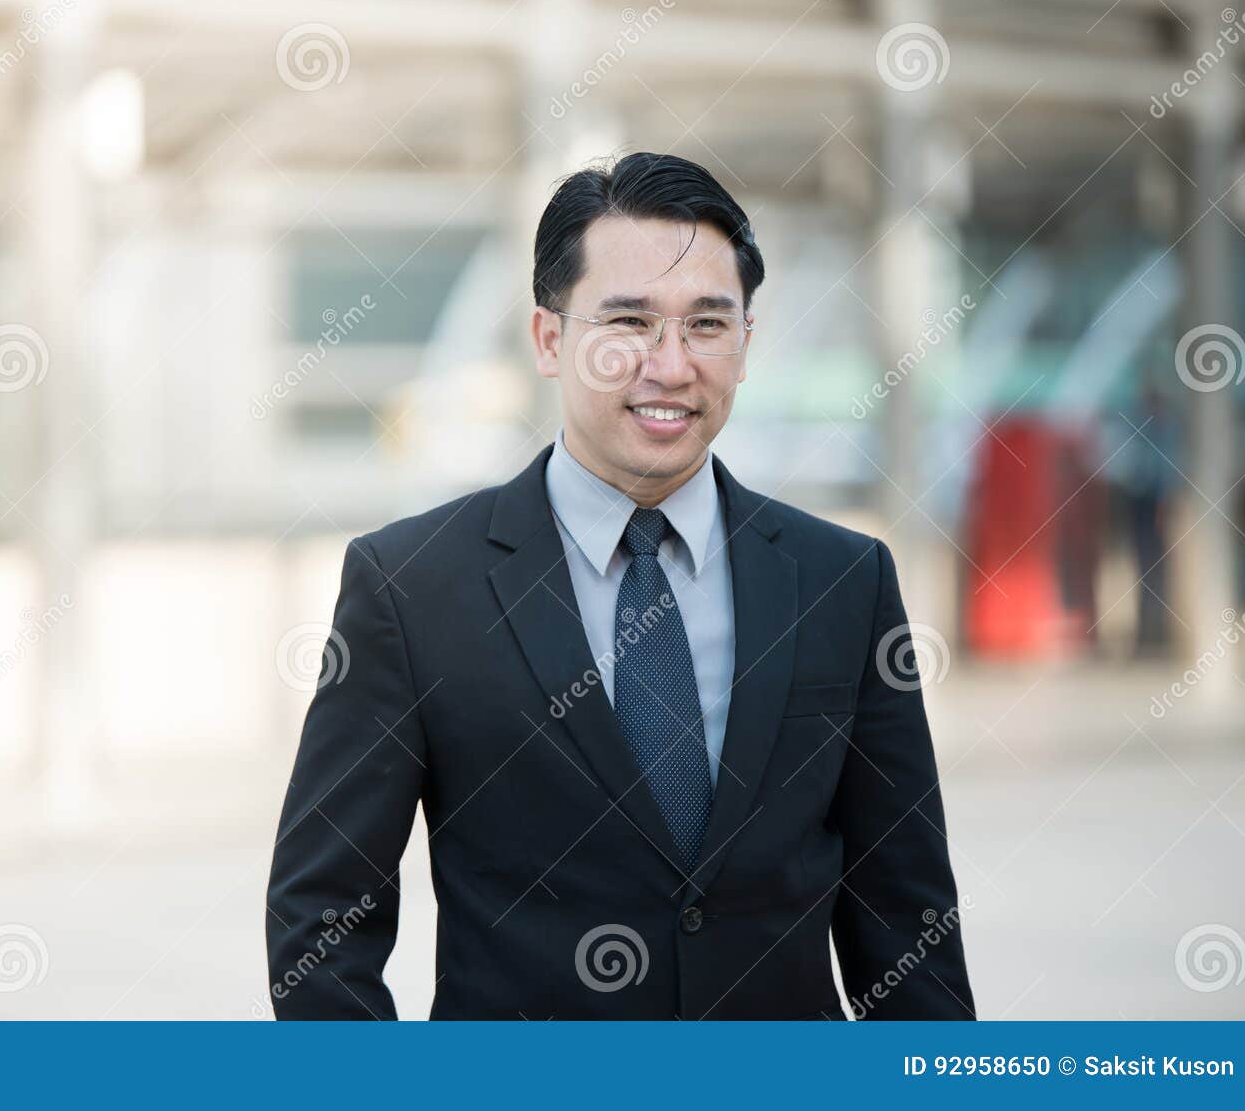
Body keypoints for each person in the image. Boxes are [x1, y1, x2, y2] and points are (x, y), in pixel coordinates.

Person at [265, 152, 975, 1020]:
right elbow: (322, 921)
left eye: (708, 325)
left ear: (747, 344)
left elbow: (909, 923)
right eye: (629, 323)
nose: (671, 366)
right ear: (550, 339)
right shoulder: (412, 586)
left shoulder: (842, 581)